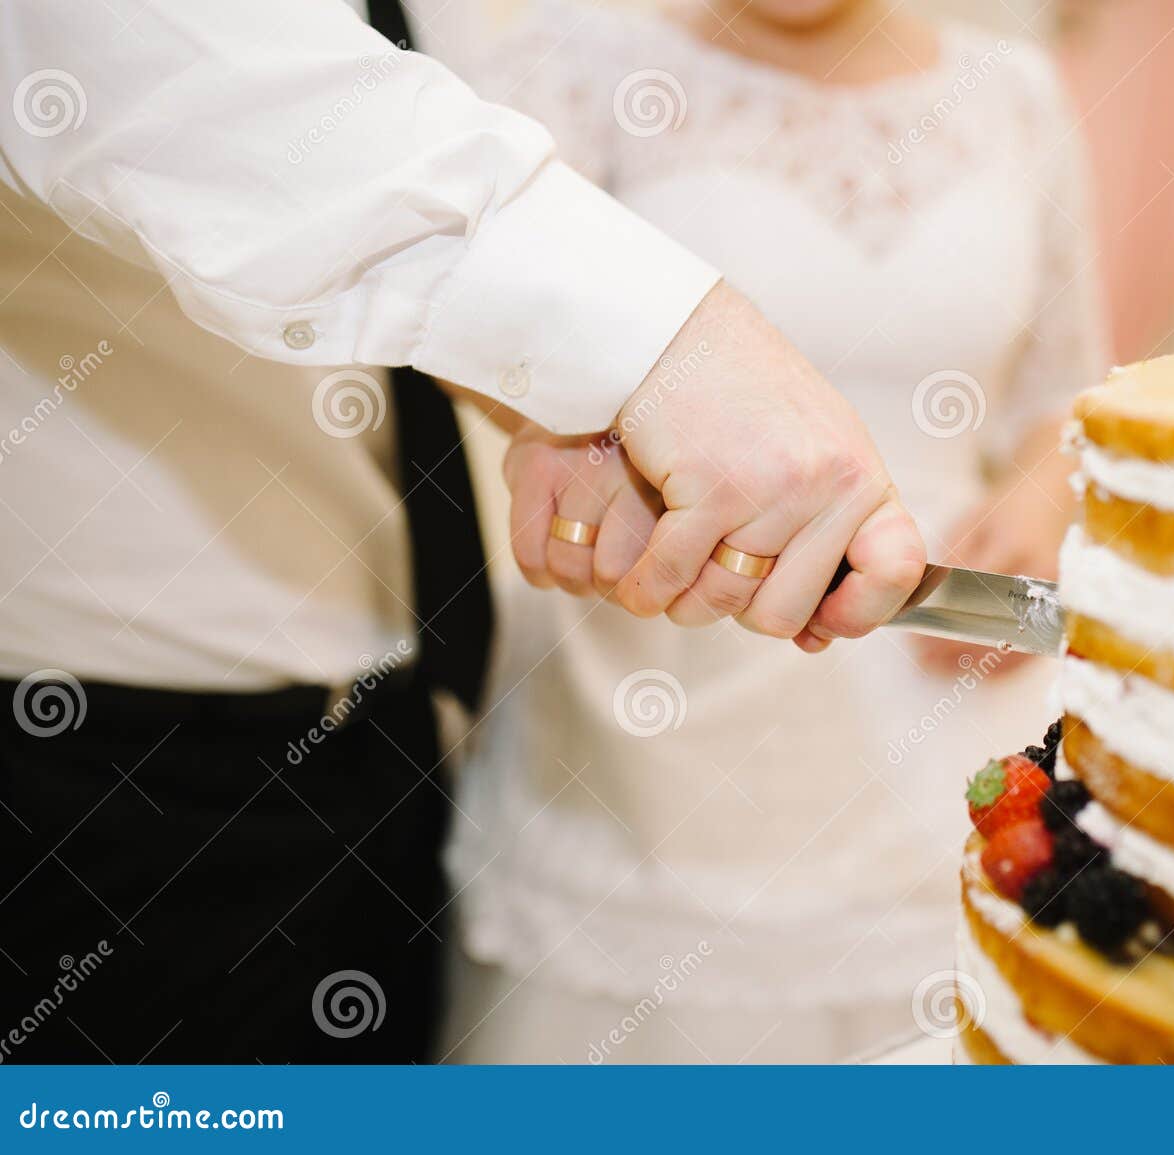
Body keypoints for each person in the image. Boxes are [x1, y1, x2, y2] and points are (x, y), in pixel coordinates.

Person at [0, 0, 923, 1063]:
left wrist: (558, 407)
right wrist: (667, 350)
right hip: (113, 757)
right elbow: (192, 72)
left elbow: (389, 247)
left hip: (396, 729)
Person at [441, 0, 1107, 1062]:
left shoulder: (1016, 92)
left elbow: (1060, 395)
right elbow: (468, 319)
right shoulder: (573, 57)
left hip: (951, 685)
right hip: (673, 700)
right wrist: (572, 435)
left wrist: (1034, 505)